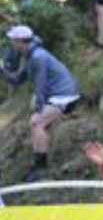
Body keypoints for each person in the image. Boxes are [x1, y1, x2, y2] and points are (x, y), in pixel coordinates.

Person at [0, 25, 80, 182]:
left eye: (13, 41)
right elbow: (17, 79)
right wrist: (2, 71)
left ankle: (40, 167)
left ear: (20, 42)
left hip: (65, 97)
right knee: (35, 112)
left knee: (36, 123)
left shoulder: (38, 57)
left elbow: (40, 86)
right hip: (54, 96)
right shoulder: (28, 56)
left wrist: (38, 112)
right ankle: (41, 149)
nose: (12, 44)